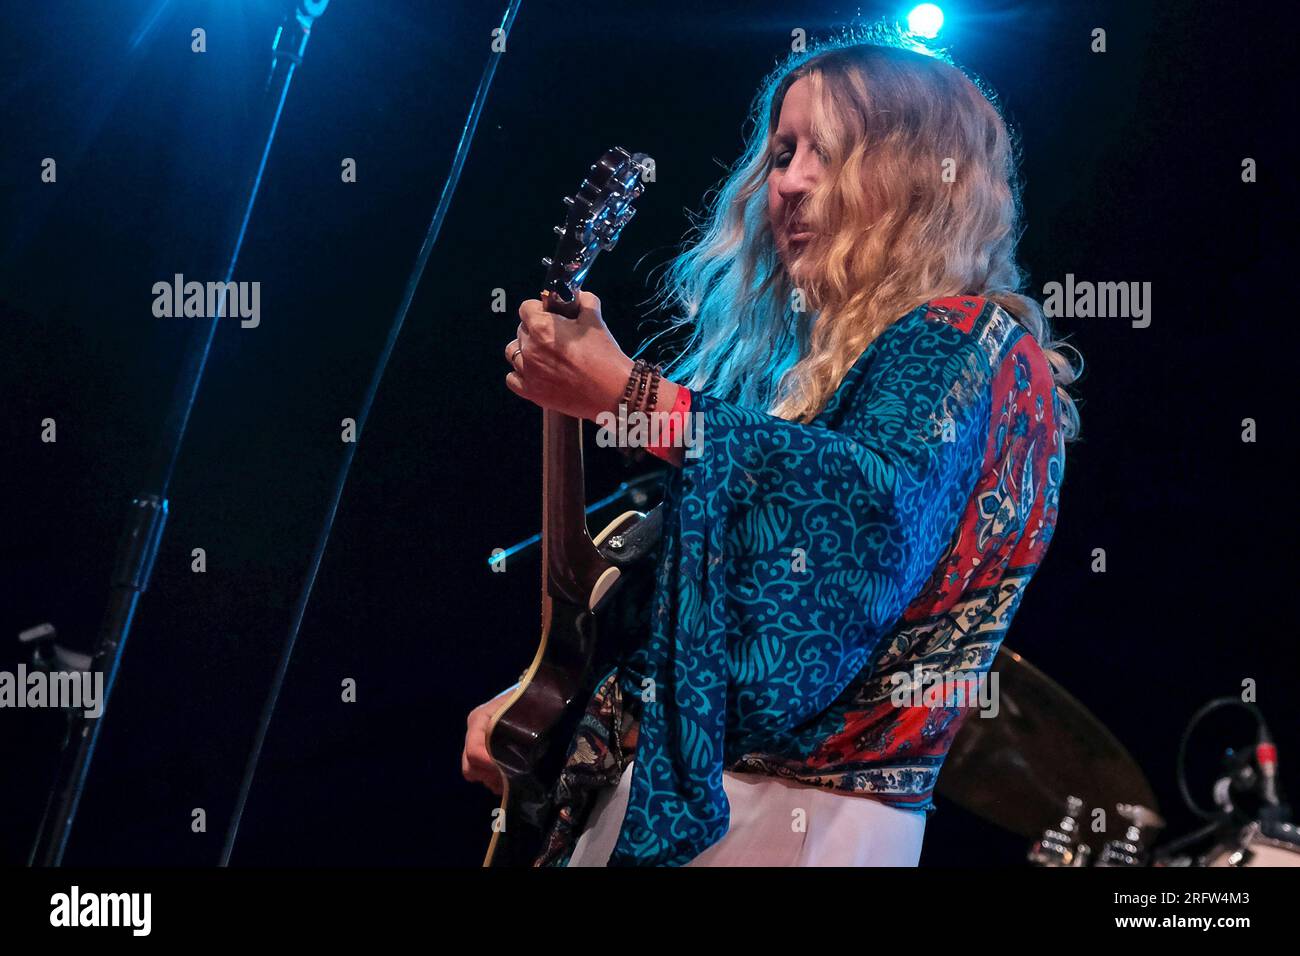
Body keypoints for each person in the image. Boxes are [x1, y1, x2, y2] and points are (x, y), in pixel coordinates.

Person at [463, 28, 1079, 867]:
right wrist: (552, 699)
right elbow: (722, 599)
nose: (785, 183)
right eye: (781, 152)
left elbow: (862, 505)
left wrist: (625, 391)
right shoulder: (872, 365)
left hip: (796, 821)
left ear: (914, 172)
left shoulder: (962, 340)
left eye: (824, 153)